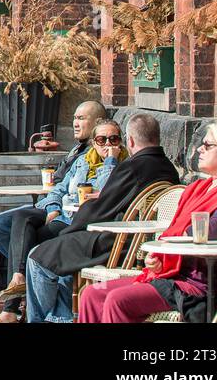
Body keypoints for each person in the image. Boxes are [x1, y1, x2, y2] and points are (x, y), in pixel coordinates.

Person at [78, 119, 217, 323]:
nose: (199, 149)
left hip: (193, 285)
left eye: (207, 145)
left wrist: (170, 248)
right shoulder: (197, 188)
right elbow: (179, 230)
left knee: (119, 300)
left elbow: (209, 231)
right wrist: (158, 257)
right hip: (170, 274)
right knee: (91, 294)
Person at [24, 112, 179, 322]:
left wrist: (80, 215)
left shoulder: (133, 167)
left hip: (118, 242)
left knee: (37, 257)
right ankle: (61, 317)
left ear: (130, 140)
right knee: (58, 255)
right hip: (141, 241)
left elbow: (102, 207)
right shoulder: (168, 167)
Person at [0, 116, 126, 322]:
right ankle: (19, 278)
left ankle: (13, 306)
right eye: (102, 140)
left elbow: (105, 190)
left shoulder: (121, 165)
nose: (108, 145)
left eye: (113, 139)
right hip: (62, 212)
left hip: (77, 222)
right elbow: (59, 187)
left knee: (30, 245)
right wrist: (52, 208)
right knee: (14, 220)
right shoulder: (83, 160)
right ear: (94, 142)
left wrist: (110, 160)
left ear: (121, 141)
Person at [0, 100, 108, 292]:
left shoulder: (98, 157)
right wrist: (53, 206)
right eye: (74, 118)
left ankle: (27, 277)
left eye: (81, 118)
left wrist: (55, 207)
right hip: (51, 204)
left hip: (69, 216)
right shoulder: (78, 151)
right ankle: (29, 274)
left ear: (98, 121)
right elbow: (58, 187)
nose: (75, 123)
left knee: (7, 225)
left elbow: (97, 191)